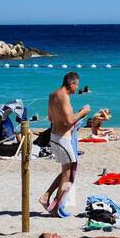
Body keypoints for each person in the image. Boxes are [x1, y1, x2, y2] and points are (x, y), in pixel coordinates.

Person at [41, 72, 89, 217]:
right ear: (72, 84)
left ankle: (46, 196)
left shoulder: (52, 95)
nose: (77, 88)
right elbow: (69, 121)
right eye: (77, 85)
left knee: (65, 172)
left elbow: (50, 117)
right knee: (67, 173)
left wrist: (62, 120)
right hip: (63, 139)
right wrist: (83, 112)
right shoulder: (64, 97)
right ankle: (56, 208)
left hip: (55, 136)